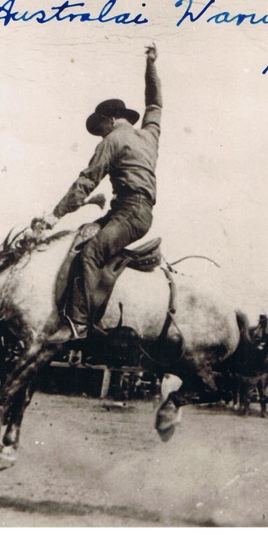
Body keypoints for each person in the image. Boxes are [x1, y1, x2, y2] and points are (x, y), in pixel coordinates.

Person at [34, 44, 162, 340]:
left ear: (110, 119)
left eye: (100, 126)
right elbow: (154, 105)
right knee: (85, 234)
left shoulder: (113, 140)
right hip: (135, 212)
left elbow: (87, 181)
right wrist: (151, 64)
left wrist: (55, 215)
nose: (100, 132)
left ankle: (80, 324)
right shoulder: (149, 135)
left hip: (128, 212)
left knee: (89, 253)